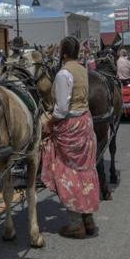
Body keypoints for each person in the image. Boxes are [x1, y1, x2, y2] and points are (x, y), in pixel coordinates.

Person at [40, 36, 102, 236]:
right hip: (85, 123)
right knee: (85, 170)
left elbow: (61, 109)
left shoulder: (63, 74)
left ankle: (75, 224)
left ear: (64, 54)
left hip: (71, 126)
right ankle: (88, 219)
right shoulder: (84, 70)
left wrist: (49, 122)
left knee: (67, 171)